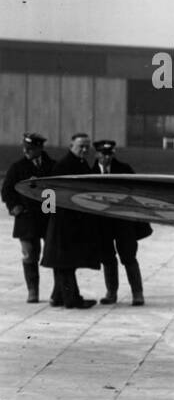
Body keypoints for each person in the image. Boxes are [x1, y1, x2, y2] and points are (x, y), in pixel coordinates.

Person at [39, 132, 103, 309]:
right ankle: (72, 299)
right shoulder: (64, 166)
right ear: (71, 147)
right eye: (80, 146)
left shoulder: (81, 164)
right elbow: (48, 191)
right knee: (65, 263)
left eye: (86, 146)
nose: (84, 149)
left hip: (72, 224)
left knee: (65, 262)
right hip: (63, 223)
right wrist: (51, 217)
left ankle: (59, 296)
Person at [91, 139, 150, 305]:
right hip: (102, 224)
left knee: (129, 257)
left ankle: (137, 294)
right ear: (97, 154)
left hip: (124, 222)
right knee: (107, 258)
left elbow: (136, 191)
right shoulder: (90, 172)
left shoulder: (125, 169)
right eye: (103, 154)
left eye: (109, 154)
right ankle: (111, 293)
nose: (107, 157)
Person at [1, 132, 56, 302]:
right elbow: (7, 190)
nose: (26, 151)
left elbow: (56, 189)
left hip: (48, 219)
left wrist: (53, 210)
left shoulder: (53, 166)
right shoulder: (17, 167)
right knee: (30, 255)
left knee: (54, 255)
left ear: (40, 148)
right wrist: (14, 207)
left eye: (30, 149)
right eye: (25, 148)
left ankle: (58, 292)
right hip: (26, 219)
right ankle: (33, 291)